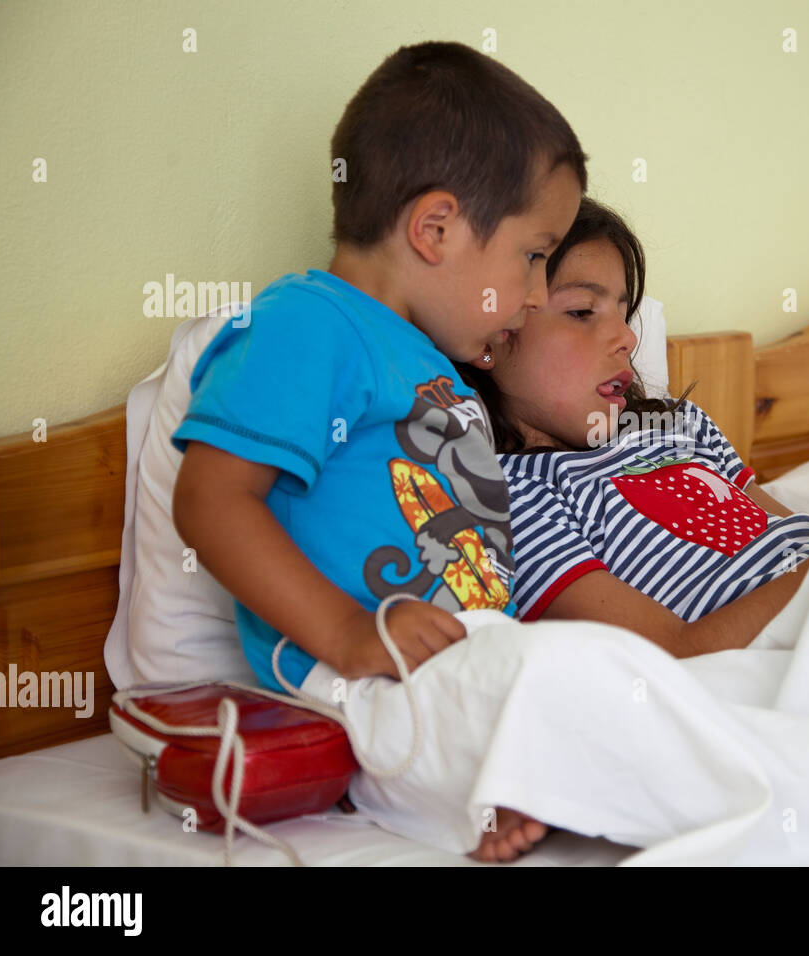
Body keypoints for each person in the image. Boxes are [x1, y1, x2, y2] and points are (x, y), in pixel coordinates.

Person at [170, 41, 583, 862]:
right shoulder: (307, 324)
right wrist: (351, 633)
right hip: (364, 683)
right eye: (534, 256)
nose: (537, 296)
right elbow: (209, 500)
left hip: (462, 662)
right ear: (434, 228)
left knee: (607, 677)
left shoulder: (432, 363)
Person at [461, 199, 809, 655]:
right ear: (489, 336)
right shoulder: (509, 493)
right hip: (794, 634)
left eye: (623, 312)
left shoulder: (679, 422)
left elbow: (787, 530)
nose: (628, 338)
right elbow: (674, 651)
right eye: (581, 311)